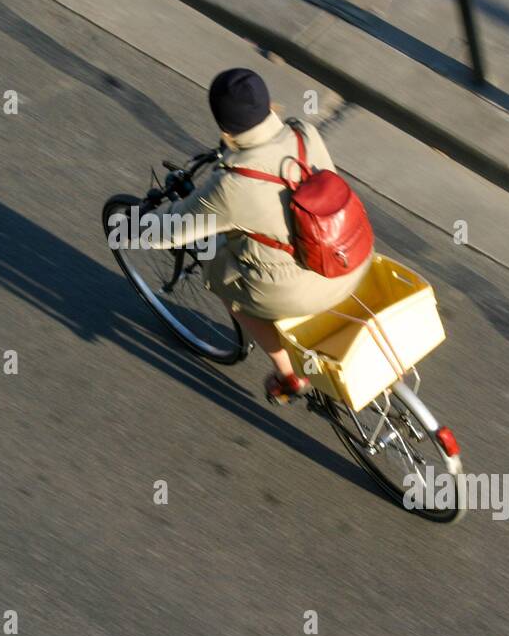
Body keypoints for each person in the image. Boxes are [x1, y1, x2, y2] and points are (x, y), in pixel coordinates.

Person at [157, 68, 370, 403]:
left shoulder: (233, 184)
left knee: (220, 273)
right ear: (269, 105)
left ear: (224, 128)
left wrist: (137, 226)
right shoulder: (305, 134)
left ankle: (288, 375)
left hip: (305, 291)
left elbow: (168, 232)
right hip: (352, 260)